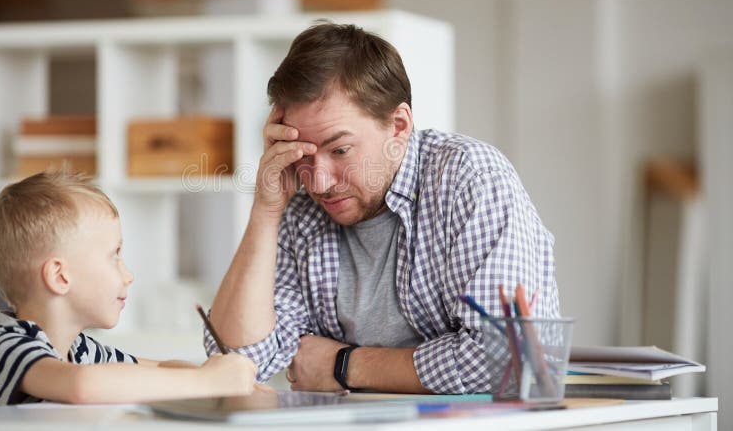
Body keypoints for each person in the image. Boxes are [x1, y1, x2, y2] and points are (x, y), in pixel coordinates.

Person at [206, 22, 560, 395]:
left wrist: (344, 365)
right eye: (302, 156)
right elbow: (236, 361)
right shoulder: (300, 208)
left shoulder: (468, 177)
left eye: (340, 150)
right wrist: (266, 209)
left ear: (399, 126)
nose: (319, 182)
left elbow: (507, 360)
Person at [0, 170, 257, 407]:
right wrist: (208, 383)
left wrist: (221, 373)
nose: (128, 275)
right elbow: (81, 386)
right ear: (60, 276)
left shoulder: (80, 350)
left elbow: (161, 366)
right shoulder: (5, 346)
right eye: (115, 255)